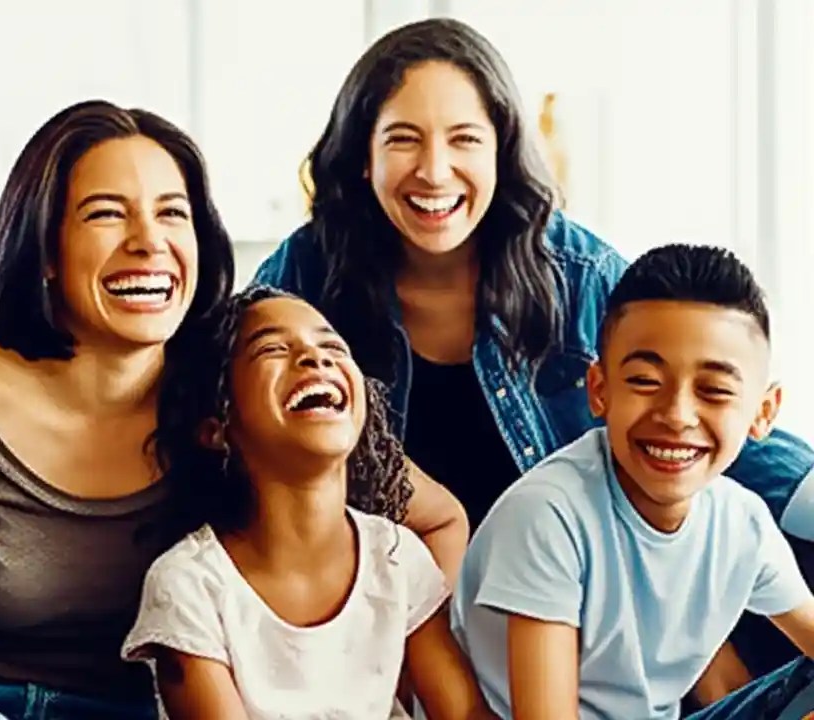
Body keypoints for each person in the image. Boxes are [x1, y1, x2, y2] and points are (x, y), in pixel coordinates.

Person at [0, 100, 470, 720]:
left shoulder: (230, 395)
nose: (148, 243)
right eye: (107, 214)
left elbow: (431, 518)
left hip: (128, 704)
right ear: (44, 250)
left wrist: (368, 652)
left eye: (172, 214)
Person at [251, 16, 814, 691]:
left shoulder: (576, 273)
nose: (434, 171)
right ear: (361, 155)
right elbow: (227, 412)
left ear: (502, 151)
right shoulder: (306, 277)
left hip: (599, 602)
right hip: (416, 616)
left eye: (464, 140)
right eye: (403, 140)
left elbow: (697, 400)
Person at [451, 244, 814, 720]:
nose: (677, 416)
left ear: (763, 412)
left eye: (714, 391)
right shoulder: (549, 514)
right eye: (645, 380)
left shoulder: (741, 521)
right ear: (600, 391)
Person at [122, 285, 493, 719]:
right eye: (273, 349)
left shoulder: (395, 556)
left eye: (332, 345)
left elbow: (465, 713)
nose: (315, 358)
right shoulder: (189, 586)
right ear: (216, 426)